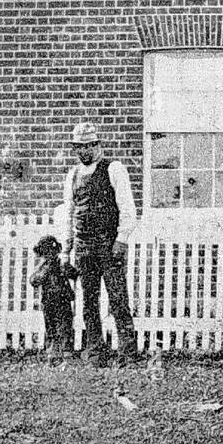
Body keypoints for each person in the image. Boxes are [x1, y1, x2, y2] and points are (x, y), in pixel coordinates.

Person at [62, 122, 138, 364]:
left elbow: (128, 209)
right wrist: (67, 250)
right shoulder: (73, 175)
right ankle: (95, 350)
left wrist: (122, 240)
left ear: (98, 145)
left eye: (89, 146)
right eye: (79, 148)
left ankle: (127, 351)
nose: (84, 152)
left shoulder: (114, 169)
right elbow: (69, 214)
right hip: (84, 246)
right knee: (89, 301)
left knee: (117, 298)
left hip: (109, 244)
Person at [29, 234, 77, 360]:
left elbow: (74, 274)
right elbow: (34, 280)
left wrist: (66, 268)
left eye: (52, 251)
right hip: (49, 300)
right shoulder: (43, 266)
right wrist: (45, 272)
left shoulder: (61, 264)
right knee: (51, 327)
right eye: (46, 252)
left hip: (63, 299)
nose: (50, 255)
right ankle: (52, 352)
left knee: (65, 326)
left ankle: (67, 352)